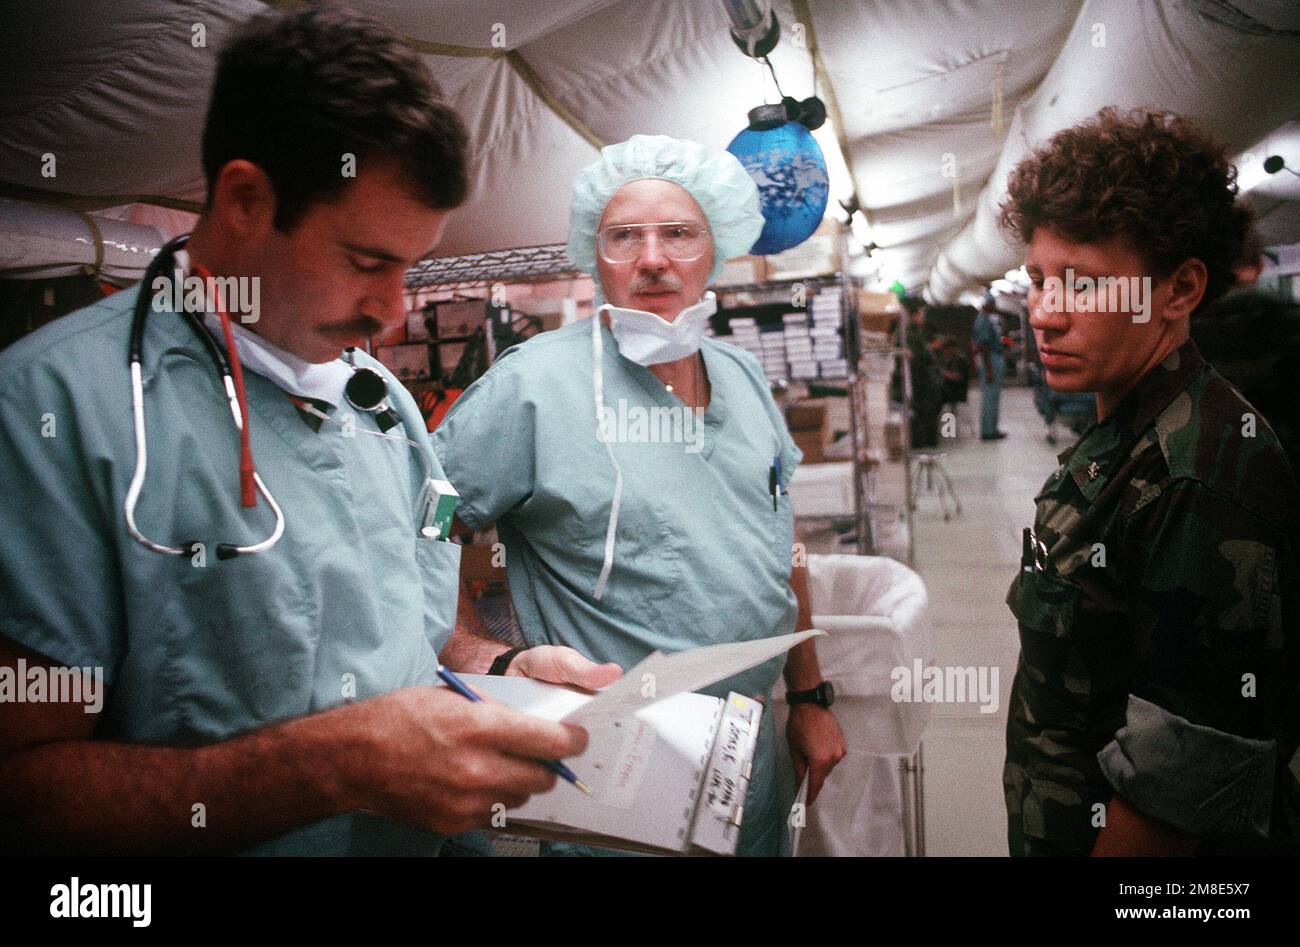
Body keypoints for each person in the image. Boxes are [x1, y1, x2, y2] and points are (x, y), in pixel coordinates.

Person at [0, 6, 617, 856]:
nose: (395, 311)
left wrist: (503, 670)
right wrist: (331, 769)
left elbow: (415, 623)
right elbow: (26, 789)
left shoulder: (385, 406)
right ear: (248, 199)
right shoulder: (56, 414)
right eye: (368, 262)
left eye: (414, 267)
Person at [432, 135, 847, 856]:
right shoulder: (533, 387)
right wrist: (477, 655)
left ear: (713, 252)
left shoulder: (743, 378)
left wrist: (809, 696)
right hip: (619, 772)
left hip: (753, 755)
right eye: (625, 236)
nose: (652, 257)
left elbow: (783, 543)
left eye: (678, 234)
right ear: (596, 257)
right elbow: (427, 521)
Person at [999, 107, 1300, 856]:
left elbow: (1175, 797)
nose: (1045, 313)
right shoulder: (1123, 433)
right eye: (1038, 280)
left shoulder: (1200, 471)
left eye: (1082, 285)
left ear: (1180, 289)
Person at [972, 294, 1006, 440]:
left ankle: (992, 428)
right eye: (992, 304)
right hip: (990, 359)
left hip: (993, 358)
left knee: (993, 396)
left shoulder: (988, 320)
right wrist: (988, 369)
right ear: (986, 304)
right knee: (989, 397)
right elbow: (983, 346)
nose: (995, 306)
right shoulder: (983, 321)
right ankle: (987, 431)